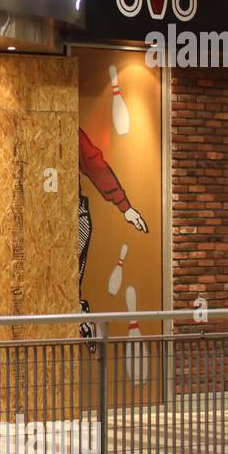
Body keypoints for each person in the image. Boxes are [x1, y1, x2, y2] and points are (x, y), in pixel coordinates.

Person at [78, 127, 148, 345]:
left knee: (64, 284)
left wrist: (125, 206)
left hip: (72, 216)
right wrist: (124, 206)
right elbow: (95, 164)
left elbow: (95, 165)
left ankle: (79, 314)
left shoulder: (70, 129)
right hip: (67, 217)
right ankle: (79, 314)